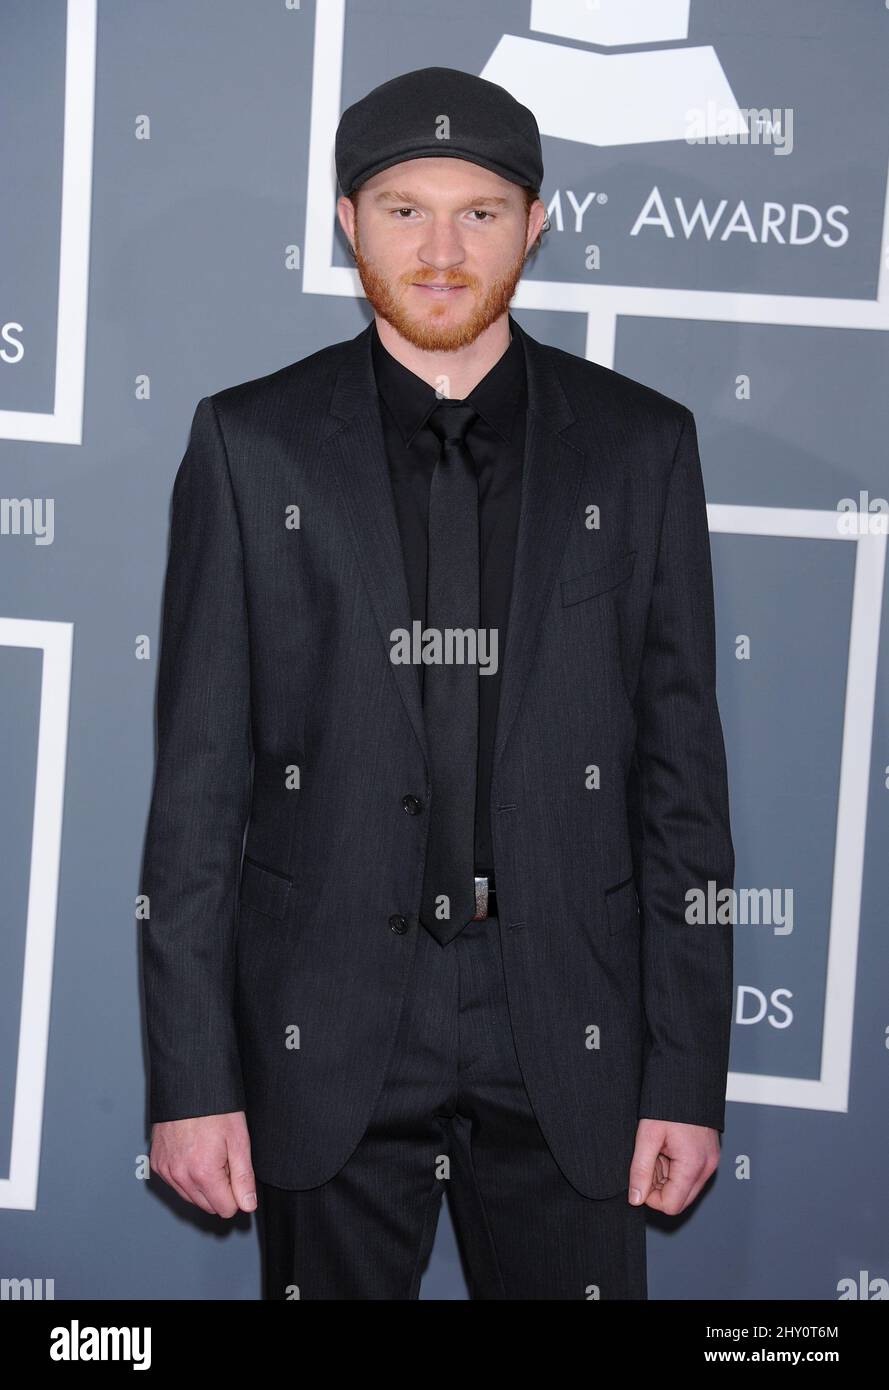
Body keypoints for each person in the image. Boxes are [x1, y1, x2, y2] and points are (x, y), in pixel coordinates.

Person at [141, 66, 734, 1300]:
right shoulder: (249, 445)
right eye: (405, 208)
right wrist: (194, 1081)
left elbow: (683, 787)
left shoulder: (641, 446)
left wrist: (685, 1074)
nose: (444, 248)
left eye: (482, 210)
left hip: (569, 1032)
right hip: (328, 1028)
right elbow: (196, 792)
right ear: (347, 222)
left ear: (539, 222)